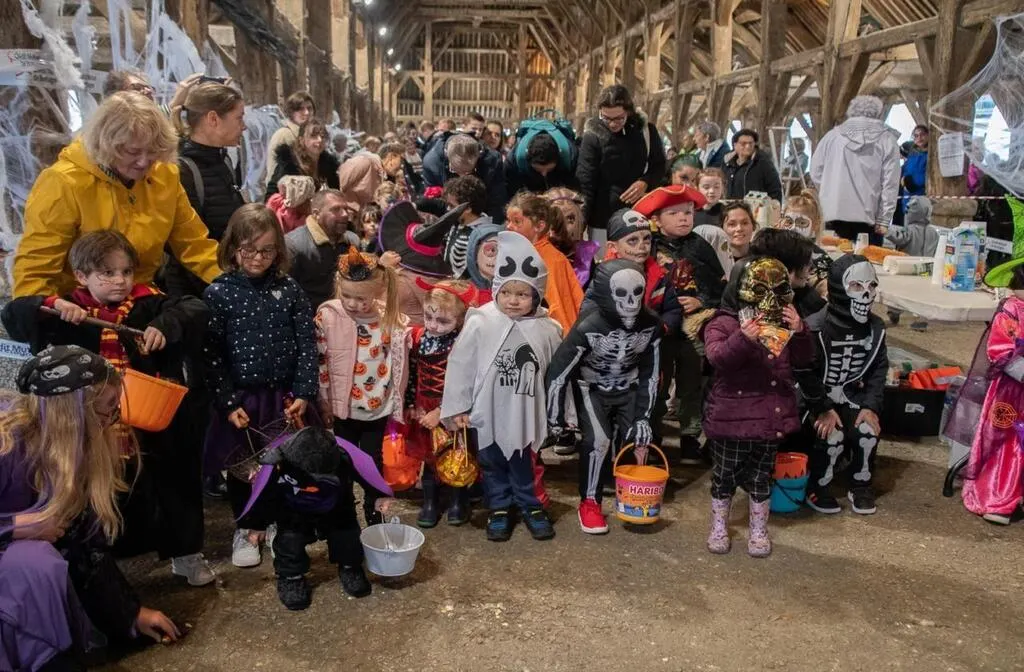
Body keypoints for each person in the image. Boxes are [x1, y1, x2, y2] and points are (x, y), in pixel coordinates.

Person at [2, 229, 214, 587]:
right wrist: (51, 305)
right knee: (92, 493)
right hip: (88, 424)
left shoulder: (148, 303)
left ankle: (186, 554)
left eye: (126, 271)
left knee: (174, 479)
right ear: (82, 276)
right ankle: (99, 569)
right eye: (108, 273)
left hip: (147, 416)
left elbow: (195, 308)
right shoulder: (68, 312)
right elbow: (14, 314)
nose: (120, 281)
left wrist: (164, 326)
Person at [0, 346, 181, 671]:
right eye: (107, 410)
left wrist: (130, 614)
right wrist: (14, 526)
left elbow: (87, 545)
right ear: (72, 413)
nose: (113, 421)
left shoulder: (70, 454)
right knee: (34, 561)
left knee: (40, 561)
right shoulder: (6, 444)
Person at [14, 92, 221, 299]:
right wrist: (44, 311)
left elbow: (195, 245)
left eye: (153, 151)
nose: (144, 162)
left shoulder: (165, 174)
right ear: (106, 144)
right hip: (79, 308)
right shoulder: (62, 182)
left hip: (140, 300)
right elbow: (36, 268)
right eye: (132, 152)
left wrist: (236, 284)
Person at [202, 204, 318, 568]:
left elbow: (306, 344)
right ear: (233, 248)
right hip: (243, 400)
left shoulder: (290, 290)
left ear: (278, 251)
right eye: (248, 249)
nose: (257, 257)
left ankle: (281, 526)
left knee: (287, 466)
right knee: (244, 467)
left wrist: (303, 392)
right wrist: (226, 401)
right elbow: (212, 355)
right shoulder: (218, 293)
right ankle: (247, 527)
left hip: (285, 399)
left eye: (266, 250)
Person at [441, 232, 562, 542]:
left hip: (524, 410)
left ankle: (530, 505)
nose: (513, 300)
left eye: (522, 294)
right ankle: (499, 507)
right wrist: (458, 407)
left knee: (523, 459)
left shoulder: (547, 328)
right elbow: (461, 366)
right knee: (492, 461)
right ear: (496, 289)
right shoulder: (481, 321)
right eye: (507, 292)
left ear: (536, 294)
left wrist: (558, 412)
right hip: (487, 409)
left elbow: (555, 374)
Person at [703, 257, 813, 557]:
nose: (769, 298)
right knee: (723, 478)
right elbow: (718, 358)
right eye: (760, 287)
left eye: (777, 288)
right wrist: (744, 338)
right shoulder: (722, 322)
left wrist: (800, 330)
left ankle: (758, 531)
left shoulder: (781, 322)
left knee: (761, 479)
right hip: (731, 419)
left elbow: (805, 360)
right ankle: (719, 526)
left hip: (767, 417)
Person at [547, 260, 662, 535]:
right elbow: (559, 371)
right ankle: (589, 502)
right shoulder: (589, 327)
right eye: (622, 294)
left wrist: (644, 417)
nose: (631, 302)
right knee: (598, 441)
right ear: (607, 294)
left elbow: (652, 373)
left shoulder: (651, 326)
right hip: (593, 386)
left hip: (629, 387)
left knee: (639, 440)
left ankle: (633, 497)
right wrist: (554, 418)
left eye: (637, 292)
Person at [316, 248, 410, 527]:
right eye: (347, 296)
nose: (354, 304)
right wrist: (324, 401)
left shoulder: (390, 318)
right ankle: (344, 513)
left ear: (378, 292)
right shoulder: (327, 316)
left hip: (376, 406)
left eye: (362, 298)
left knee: (372, 460)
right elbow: (321, 362)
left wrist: (396, 401)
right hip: (342, 408)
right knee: (342, 461)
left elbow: (397, 362)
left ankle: (375, 510)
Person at [244, 426, 387, 609]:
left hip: (337, 505)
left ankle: (350, 567)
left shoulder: (345, 455)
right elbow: (263, 493)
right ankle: (291, 577)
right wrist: (258, 524)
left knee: (348, 535)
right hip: (294, 509)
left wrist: (378, 495)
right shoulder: (278, 461)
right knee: (289, 542)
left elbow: (366, 473)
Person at [635, 185, 724, 462]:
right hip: (658, 326)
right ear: (657, 220)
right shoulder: (647, 246)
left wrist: (702, 302)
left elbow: (719, 285)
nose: (684, 218)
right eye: (673, 213)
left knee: (690, 382)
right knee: (657, 383)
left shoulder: (700, 246)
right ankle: (654, 435)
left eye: (687, 212)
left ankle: (690, 436)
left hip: (692, 329)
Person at [804, 254, 888, 516]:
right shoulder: (816, 327)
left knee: (867, 432)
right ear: (839, 289)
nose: (867, 294)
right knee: (832, 435)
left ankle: (860, 484)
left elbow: (878, 370)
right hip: (818, 400)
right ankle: (819, 485)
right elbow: (804, 373)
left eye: (871, 286)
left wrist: (871, 405)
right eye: (856, 287)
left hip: (853, 397)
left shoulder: (876, 328)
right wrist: (821, 407)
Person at [957, 262, 1024, 524]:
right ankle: (997, 496)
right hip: (1010, 392)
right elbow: (1001, 351)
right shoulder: (1010, 311)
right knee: (1004, 441)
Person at [407, 280, 477, 528]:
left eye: (443, 321)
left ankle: (459, 500)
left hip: (452, 408)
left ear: (459, 320)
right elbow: (412, 372)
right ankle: (430, 501)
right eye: (429, 317)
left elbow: (467, 382)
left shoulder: (463, 343)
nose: (434, 326)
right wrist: (411, 404)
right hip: (424, 404)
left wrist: (443, 411)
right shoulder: (418, 338)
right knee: (429, 458)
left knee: (457, 454)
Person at [576, 85, 666, 244]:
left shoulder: (646, 132)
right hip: (601, 222)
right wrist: (580, 223)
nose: (612, 124)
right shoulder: (592, 136)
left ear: (629, 112)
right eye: (606, 118)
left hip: (638, 216)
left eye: (619, 118)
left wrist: (646, 181)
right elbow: (585, 182)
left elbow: (659, 166)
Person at [810, 95, 900, 246]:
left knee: (831, 261)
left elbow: (815, 171)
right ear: (878, 113)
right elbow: (890, 182)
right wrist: (884, 218)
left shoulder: (832, 136)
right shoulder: (887, 139)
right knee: (867, 264)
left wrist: (829, 191)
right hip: (868, 217)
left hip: (833, 212)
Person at [504, 193, 584, 336]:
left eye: (517, 221)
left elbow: (559, 307)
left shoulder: (552, 260)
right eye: (508, 220)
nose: (509, 226)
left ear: (539, 226)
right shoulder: (513, 252)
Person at [596, 209, 682, 337]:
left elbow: (673, 310)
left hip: (651, 341)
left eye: (647, 239)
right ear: (613, 247)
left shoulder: (660, 276)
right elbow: (590, 314)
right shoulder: (601, 279)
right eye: (632, 240)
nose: (642, 246)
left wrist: (662, 328)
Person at [286, 189, 361, 309]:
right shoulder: (294, 244)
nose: (345, 214)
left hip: (348, 316)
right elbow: (286, 293)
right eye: (336, 209)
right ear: (316, 214)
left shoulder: (353, 241)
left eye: (346, 209)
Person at [422, 133, 507, 223]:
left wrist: (488, 228)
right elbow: (434, 202)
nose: (462, 177)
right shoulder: (432, 163)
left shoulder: (492, 162)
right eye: (456, 171)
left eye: (468, 172)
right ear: (448, 158)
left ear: (478, 157)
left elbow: (497, 201)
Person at [883, 196, 939, 331]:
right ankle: (921, 320)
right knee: (923, 296)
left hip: (906, 267)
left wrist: (887, 231)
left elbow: (900, 238)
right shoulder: (934, 233)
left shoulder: (910, 230)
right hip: (926, 268)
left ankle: (894, 312)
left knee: (899, 291)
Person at [265, 118, 341, 201]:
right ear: (301, 140)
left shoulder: (329, 166)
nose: (319, 140)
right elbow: (271, 196)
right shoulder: (290, 165)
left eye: (323, 136)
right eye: (313, 136)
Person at [544, 188, 599, 288]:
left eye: (570, 219)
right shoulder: (536, 255)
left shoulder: (586, 257)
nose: (564, 225)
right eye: (555, 218)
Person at [265, 91, 316, 191]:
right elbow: (274, 173)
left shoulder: (308, 137)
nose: (306, 113)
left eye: (309, 108)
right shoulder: (284, 135)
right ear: (291, 112)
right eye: (301, 109)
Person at [505, 131, 578, 196]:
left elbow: (575, 190)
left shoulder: (571, 157)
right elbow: (511, 193)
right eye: (538, 169)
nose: (544, 174)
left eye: (549, 169)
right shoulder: (513, 160)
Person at [723, 129, 783, 202]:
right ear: (735, 145)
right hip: (731, 208)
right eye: (743, 143)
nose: (748, 146)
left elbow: (775, 189)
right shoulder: (727, 163)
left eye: (751, 143)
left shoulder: (763, 163)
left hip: (755, 209)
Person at [466, 222, 502, 305]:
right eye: (491, 250)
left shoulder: (511, 293)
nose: (497, 258)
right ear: (474, 253)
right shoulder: (461, 291)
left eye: (503, 251)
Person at [901, 125, 929, 213]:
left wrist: (911, 182)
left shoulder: (930, 155)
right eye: (916, 136)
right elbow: (906, 171)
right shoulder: (912, 154)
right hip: (908, 199)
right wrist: (904, 180)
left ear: (928, 135)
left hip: (922, 198)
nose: (919, 138)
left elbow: (927, 176)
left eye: (922, 134)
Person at [722, 202, 757, 272]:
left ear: (753, 226)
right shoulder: (715, 261)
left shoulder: (762, 259)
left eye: (745, 223)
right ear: (721, 228)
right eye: (732, 224)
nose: (739, 228)